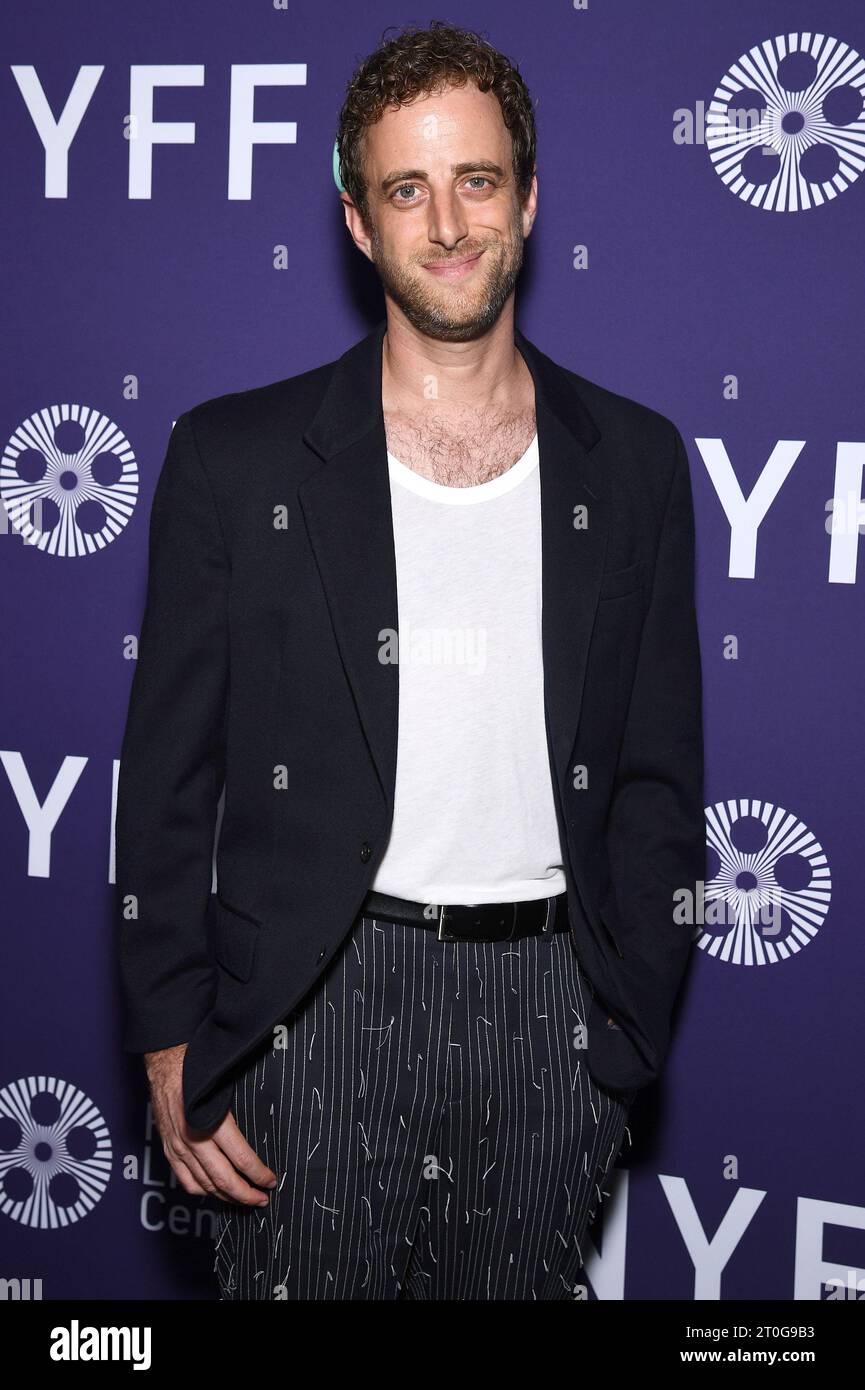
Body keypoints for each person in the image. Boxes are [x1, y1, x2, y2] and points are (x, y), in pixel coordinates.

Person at [116, 21, 705, 1301]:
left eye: (476, 181)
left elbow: (660, 778)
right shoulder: (236, 460)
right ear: (357, 223)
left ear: (530, 199)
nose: (445, 223)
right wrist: (172, 1043)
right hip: (309, 1012)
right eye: (405, 189)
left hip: (554, 1011)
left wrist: (629, 1026)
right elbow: (165, 784)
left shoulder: (639, 462)